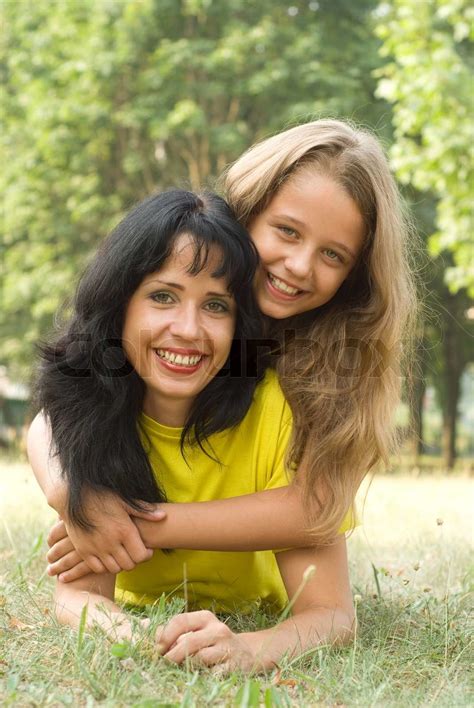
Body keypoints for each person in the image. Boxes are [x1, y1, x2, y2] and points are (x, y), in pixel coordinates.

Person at [32, 189, 355, 671]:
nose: (188, 329)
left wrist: (251, 649)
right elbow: (76, 596)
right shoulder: (90, 413)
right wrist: (138, 635)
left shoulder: (278, 412)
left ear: (238, 321)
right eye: (163, 296)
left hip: (261, 608)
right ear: (121, 304)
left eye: (216, 306)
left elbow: (332, 614)